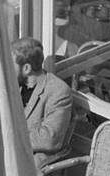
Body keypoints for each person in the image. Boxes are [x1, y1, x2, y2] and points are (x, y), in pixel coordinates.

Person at [13, 37, 73, 165]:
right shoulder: (15, 85)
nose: (6, 70)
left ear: (26, 68)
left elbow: (50, 138)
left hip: (29, 162)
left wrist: (10, 135)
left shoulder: (58, 91)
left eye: (10, 65)